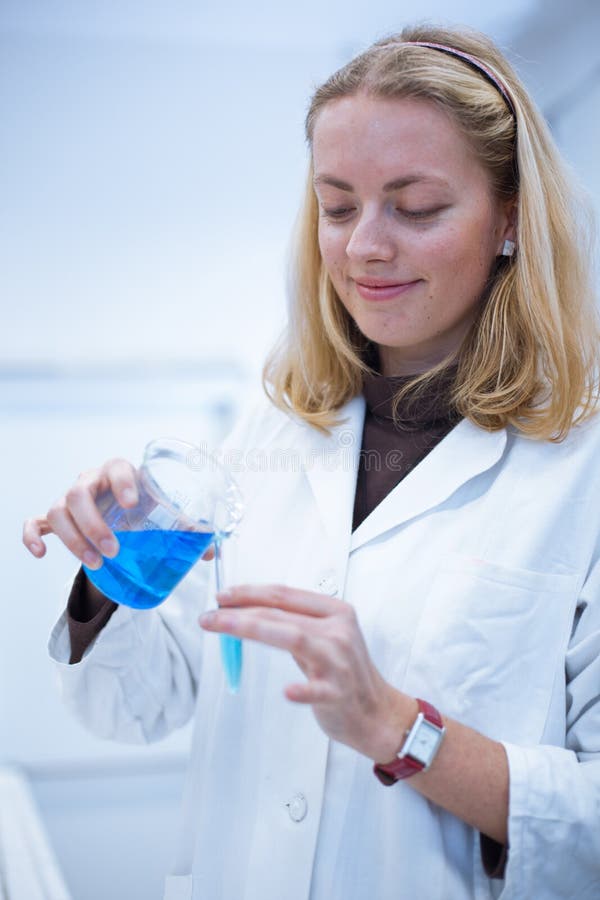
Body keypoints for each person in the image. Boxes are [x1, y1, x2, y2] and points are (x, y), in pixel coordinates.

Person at [23, 23, 600, 900]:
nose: (365, 246)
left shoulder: (579, 468)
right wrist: (111, 577)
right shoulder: (274, 430)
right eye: (338, 206)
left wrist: (399, 728)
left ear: (510, 220)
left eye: (416, 207)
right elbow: (140, 704)